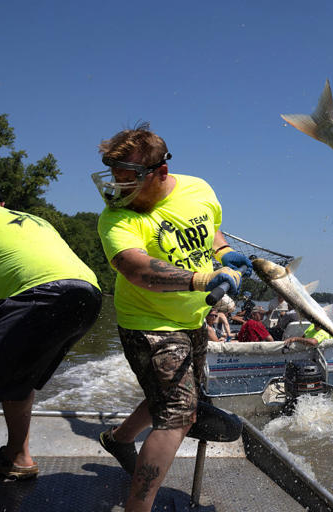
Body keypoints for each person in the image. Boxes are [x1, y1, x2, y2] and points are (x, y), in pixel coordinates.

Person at [91, 123, 252, 512]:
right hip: (148, 324)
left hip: (190, 319)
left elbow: (210, 229)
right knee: (179, 413)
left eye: (129, 180)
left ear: (161, 172)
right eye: (116, 179)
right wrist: (203, 279)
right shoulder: (117, 218)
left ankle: (120, 438)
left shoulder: (198, 188)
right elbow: (138, 270)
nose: (119, 189)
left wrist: (225, 253)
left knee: (175, 393)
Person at [0, 181, 102, 511]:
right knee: (19, 379)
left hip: (36, 294)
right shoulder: (35, 220)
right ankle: (18, 458)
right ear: (2, 203)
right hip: (87, 294)